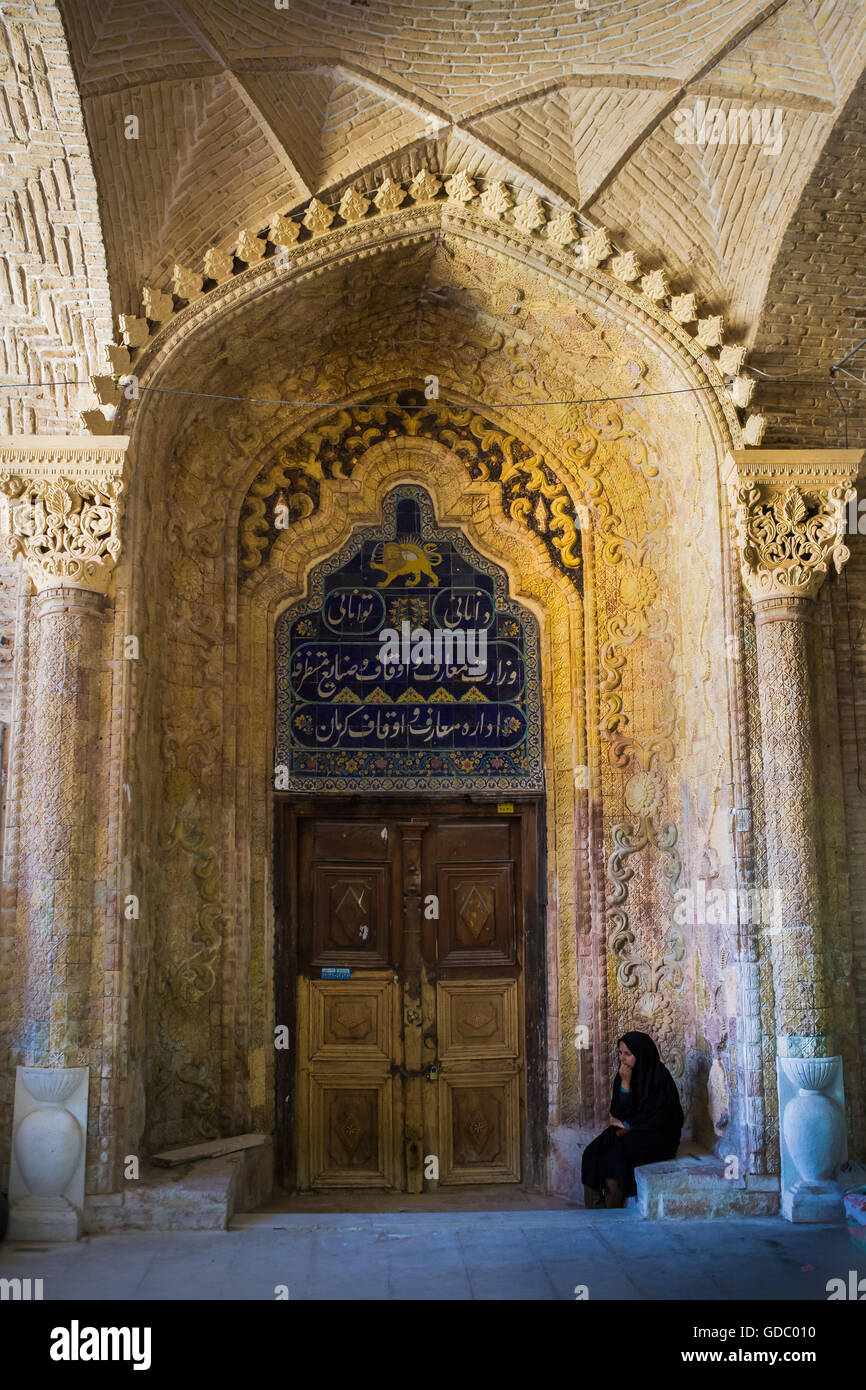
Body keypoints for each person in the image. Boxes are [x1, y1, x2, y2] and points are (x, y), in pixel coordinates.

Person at [581, 1031, 684, 1209]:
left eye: (627, 1054)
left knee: (614, 1158)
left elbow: (663, 1118)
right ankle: (594, 1209)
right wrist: (626, 1084)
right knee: (593, 1152)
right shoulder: (625, 1075)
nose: (622, 1058)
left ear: (641, 1053)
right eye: (620, 1053)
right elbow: (618, 1111)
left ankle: (612, 1212)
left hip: (658, 1137)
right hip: (631, 1130)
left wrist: (629, 1124)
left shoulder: (659, 1077)